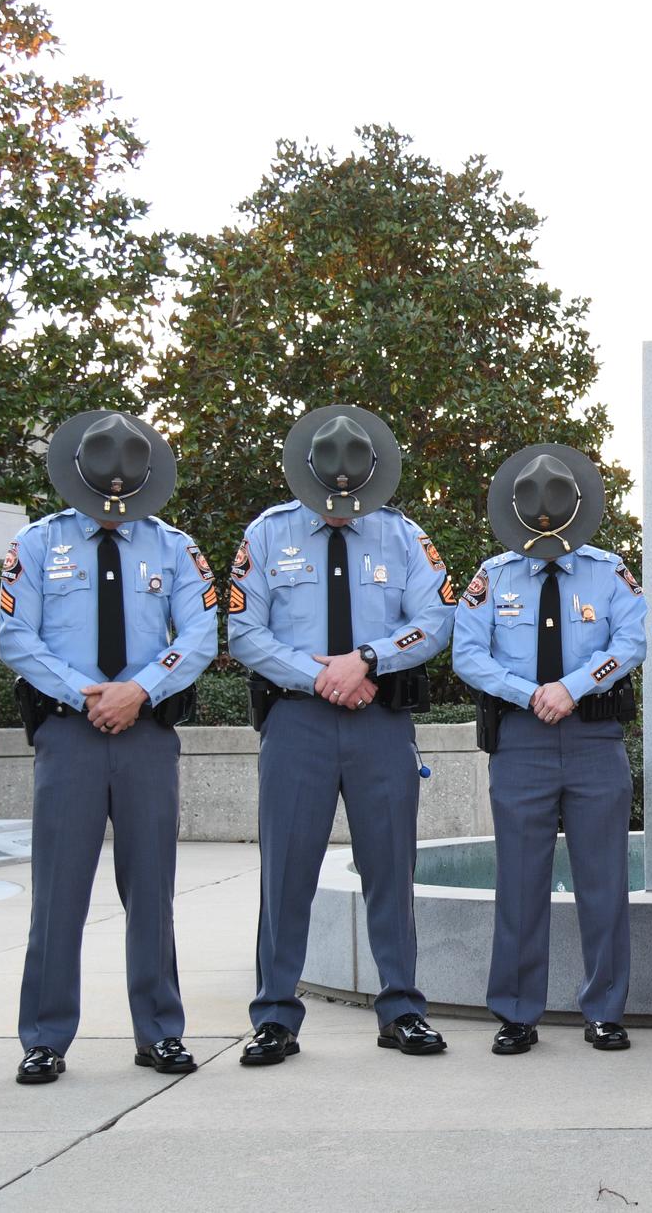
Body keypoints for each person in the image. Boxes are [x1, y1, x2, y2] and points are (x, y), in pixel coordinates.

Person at [228, 405, 455, 1065]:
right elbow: (244, 632)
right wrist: (321, 676)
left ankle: (402, 1008)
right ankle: (275, 1015)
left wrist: (369, 660)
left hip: (379, 721)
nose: (339, 508)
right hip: (296, 722)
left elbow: (436, 619)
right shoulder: (267, 534)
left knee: (391, 868)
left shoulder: (403, 536)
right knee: (286, 871)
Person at [0, 410, 219, 1084]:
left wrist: (140, 689)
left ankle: (159, 1031)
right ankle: (45, 1037)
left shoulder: (175, 548)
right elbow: (17, 637)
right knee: (58, 892)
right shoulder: (37, 544)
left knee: (151, 890)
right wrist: (86, 694)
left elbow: (200, 632)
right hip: (69, 734)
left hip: (146, 734)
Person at [454, 444, 645, 1055]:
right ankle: (516, 1012)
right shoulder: (493, 576)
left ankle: (605, 1010)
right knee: (520, 880)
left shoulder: (608, 572)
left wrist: (574, 686)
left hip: (594, 738)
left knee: (603, 881)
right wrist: (529, 693)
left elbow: (632, 641)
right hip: (521, 741)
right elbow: (467, 654)